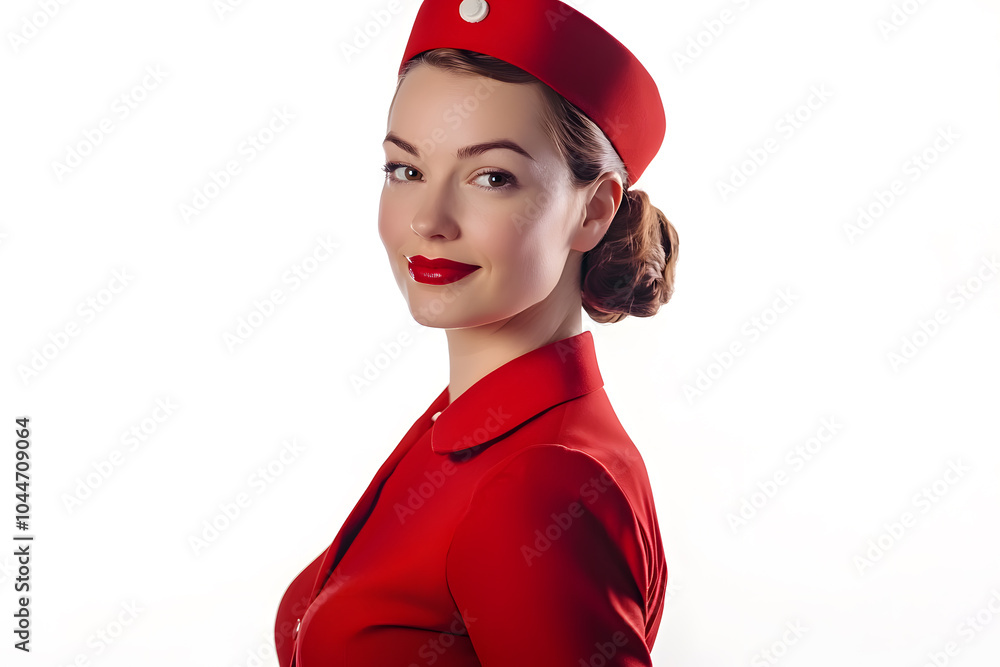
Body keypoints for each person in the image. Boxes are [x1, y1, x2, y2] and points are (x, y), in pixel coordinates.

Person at [274, 1, 679, 665]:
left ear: (594, 211)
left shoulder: (538, 483)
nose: (429, 220)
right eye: (405, 170)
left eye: (492, 177)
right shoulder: (467, 427)